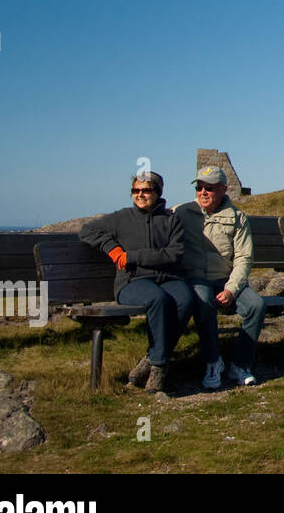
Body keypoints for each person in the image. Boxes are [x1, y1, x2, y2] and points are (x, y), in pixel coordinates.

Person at [78, 172, 193, 392]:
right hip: (132, 282)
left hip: (168, 278)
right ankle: (159, 366)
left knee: (186, 299)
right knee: (157, 300)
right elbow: (87, 231)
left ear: (158, 193)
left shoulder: (171, 220)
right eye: (136, 190)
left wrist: (131, 256)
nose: (140, 195)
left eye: (146, 190)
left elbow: (174, 254)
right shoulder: (122, 218)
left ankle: (152, 357)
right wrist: (113, 249)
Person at [174, 166, 265, 388]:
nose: (203, 192)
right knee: (203, 302)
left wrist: (232, 289)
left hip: (225, 279)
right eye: (199, 188)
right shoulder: (180, 212)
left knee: (256, 305)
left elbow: (244, 258)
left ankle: (240, 364)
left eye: (210, 188)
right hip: (196, 279)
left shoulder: (237, 218)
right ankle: (213, 363)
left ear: (223, 189)